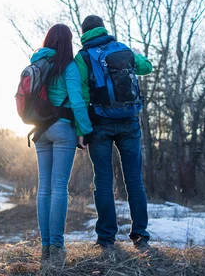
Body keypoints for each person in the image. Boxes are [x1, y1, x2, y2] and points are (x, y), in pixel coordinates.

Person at [75, 15, 153, 251]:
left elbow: (82, 94)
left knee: (103, 182)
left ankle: (106, 239)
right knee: (134, 181)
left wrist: (83, 129)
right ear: (103, 28)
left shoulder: (83, 56)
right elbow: (147, 67)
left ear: (84, 31)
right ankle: (140, 237)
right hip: (129, 121)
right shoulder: (121, 48)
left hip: (99, 124)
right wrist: (133, 58)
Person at [30, 24, 93, 263]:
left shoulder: (37, 61)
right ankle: (57, 247)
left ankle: (45, 247)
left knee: (43, 188)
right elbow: (77, 102)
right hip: (62, 129)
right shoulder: (69, 65)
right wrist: (84, 131)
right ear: (68, 41)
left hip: (40, 131)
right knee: (59, 188)